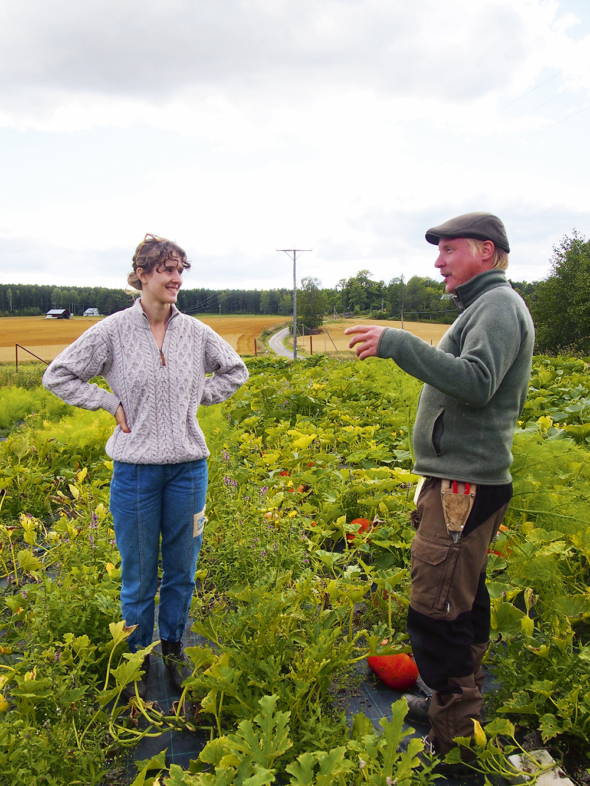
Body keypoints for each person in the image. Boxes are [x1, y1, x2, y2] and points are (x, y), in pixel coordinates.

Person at [345, 213, 534, 765]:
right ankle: (460, 706)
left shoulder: (498, 306)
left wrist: (399, 344)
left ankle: (452, 739)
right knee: (465, 601)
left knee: (436, 611)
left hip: (464, 487)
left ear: (486, 250)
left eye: (450, 250)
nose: (438, 262)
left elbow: (477, 382)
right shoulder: (485, 307)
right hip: (462, 482)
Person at [43, 234, 248, 698]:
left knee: (181, 569)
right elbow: (57, 374)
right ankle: (135, 661)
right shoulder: (111, 331)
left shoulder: (195, 332)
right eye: (167, 270)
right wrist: (105, 401)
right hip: (135, 473)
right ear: (142, 275)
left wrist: (197, 397)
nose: (176, 279)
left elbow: (235, 370)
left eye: (181, 270)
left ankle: (173, 649)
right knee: (139, 575)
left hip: (188, 470)